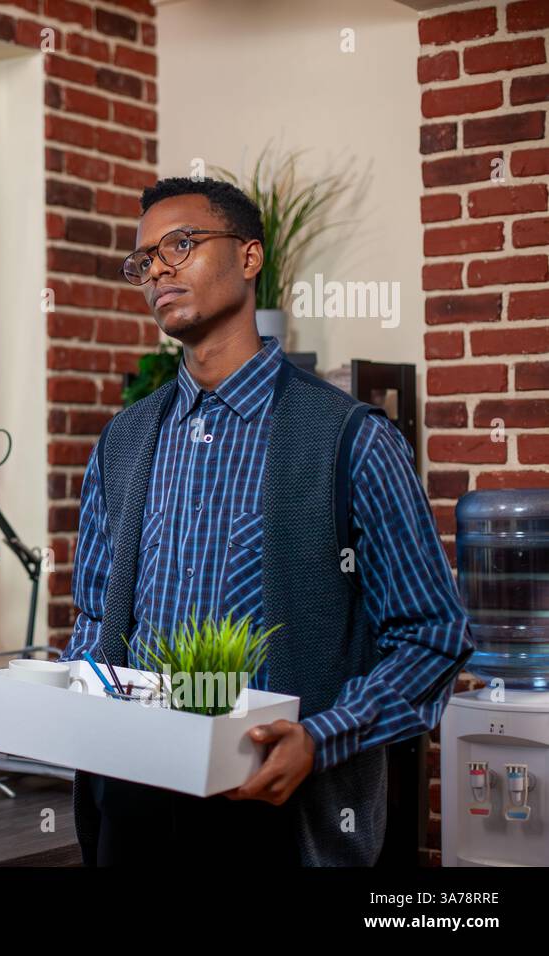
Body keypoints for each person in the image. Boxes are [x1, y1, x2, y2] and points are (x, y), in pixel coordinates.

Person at [61, 177, 474, 866]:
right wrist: (73, 700)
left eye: (181, 246)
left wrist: (321, 738)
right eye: (144, 261)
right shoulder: (122, 443)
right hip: (132, 809)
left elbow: (433, 636)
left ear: (250, 258)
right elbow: (95, 617)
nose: (157, 269)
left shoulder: (348, 438)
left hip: (286, 815)